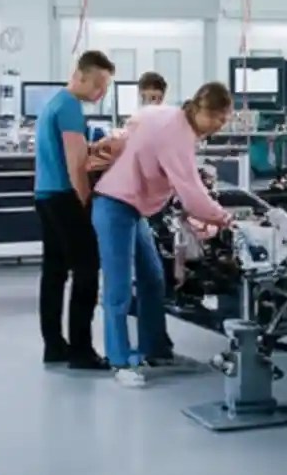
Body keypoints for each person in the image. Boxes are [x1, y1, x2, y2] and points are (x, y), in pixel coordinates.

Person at [92, 82, 234, 388]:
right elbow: (191, 192)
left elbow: (136, 123)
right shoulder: (179, 132)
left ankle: (156, 349)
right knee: (118, 288)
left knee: (153, 278)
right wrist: (224, 219)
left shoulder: (167, 115)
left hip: (134, 206)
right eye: (217, 118)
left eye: (225, 120)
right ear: (201, 109)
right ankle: (119, 360)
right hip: (117, 205)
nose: (219, 126)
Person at [33, 50, 116, 370]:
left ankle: (54, 345)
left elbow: (70, 151)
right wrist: (86, 202)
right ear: (81, 76)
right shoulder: (69, 106)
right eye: (98, 84)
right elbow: (75, 165)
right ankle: (82, 351)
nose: (101, 93)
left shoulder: (53, 103)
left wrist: (92, 147)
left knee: (54, 272)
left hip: (44, 195)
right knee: (86, 269)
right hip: (65, 196)